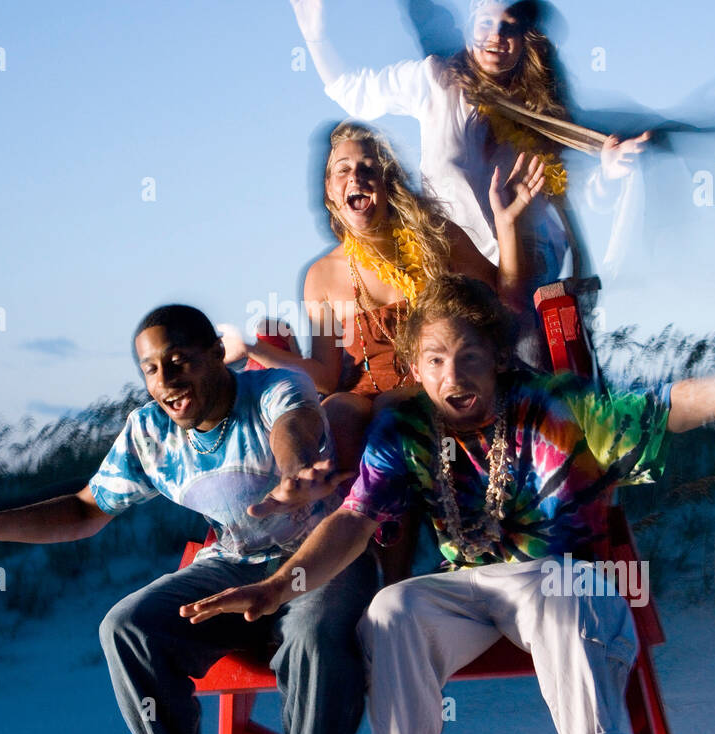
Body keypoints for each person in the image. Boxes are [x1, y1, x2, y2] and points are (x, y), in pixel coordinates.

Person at [184, 271, 715, 734]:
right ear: (417, 367)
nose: (453, 375)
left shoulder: (555, 407)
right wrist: (277, 585)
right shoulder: (406, 429)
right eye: (435, 361)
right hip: (469, 588)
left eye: (468, 356)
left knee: (554, 591)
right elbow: (354, 520)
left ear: (495, 356)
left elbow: (672, 406)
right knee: (391, 609)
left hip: (561, 580)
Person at [0, 303, 376, 734]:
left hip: (322, 557)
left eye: (179, 360)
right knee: (126, 628)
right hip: (233, 565)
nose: (165, 380)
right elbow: (84, 511)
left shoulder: (273, 387)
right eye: (151, 369)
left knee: (314, 639)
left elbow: (294, 426)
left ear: (217, 354)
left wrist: (294, 473)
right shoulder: (150, 432)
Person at [287, 0, 651, 367]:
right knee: (458, 373)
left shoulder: (541, 115)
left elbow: (576, 195)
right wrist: (315, 34)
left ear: (526, 41)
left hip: (526, 273)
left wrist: (610, 172)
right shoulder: (436, 80)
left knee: (530, 378)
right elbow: (352, 90)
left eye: (509, 28)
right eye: (486, 24)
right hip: (456, 266)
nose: (496, 35)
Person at [227, 119, 544, 475]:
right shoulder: (322, 276)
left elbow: (507, 300)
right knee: (337, 411)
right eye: (342, 170)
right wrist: (251, 349)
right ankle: (354, 516)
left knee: (393, 408)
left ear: (386, 183)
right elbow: (326, 377)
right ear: (330, 190)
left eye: (368, 168)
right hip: (363, 395)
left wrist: (507, 222)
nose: (355, 177)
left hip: (441, 384)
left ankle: (409, 523)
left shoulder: (437, 238)